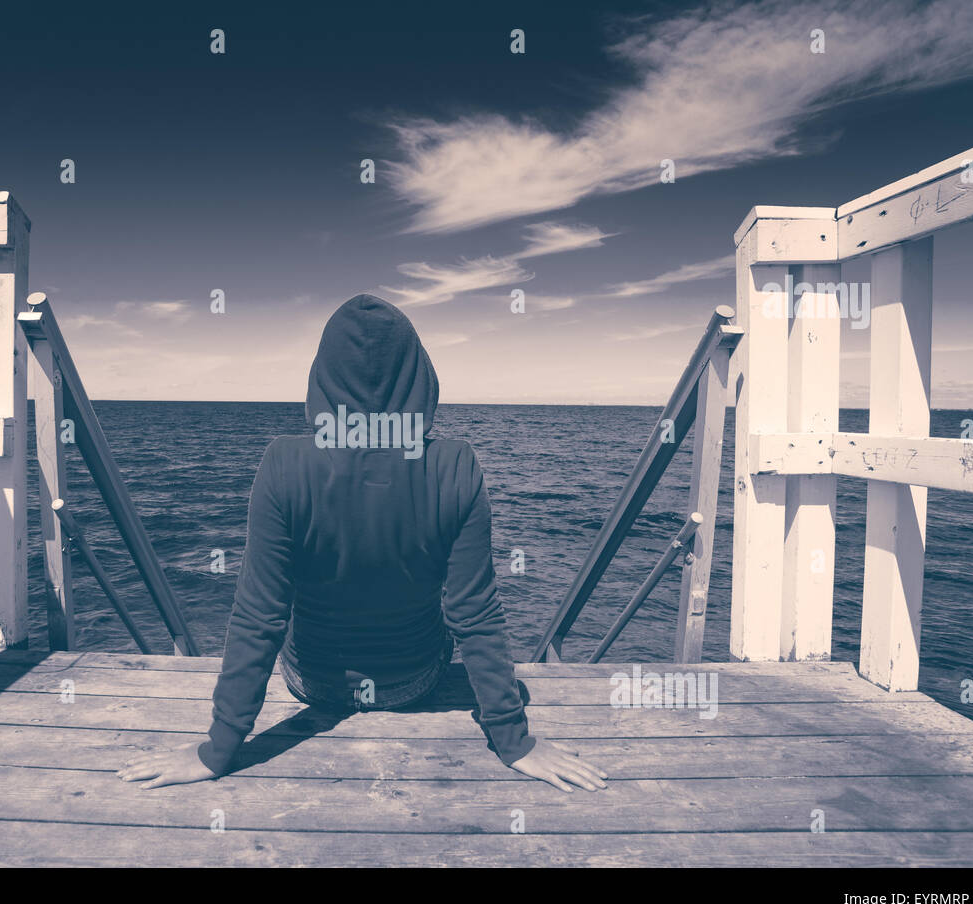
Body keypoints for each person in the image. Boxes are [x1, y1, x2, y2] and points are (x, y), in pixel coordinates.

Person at [119, 294, 607, 793]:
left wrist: (218, 748)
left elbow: (258, 616)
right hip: (414, 683)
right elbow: (474, 614)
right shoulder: (457, 465)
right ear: (421, 375)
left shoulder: (283, 465)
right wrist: (514, 740)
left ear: (322, 377)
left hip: (310, 682)